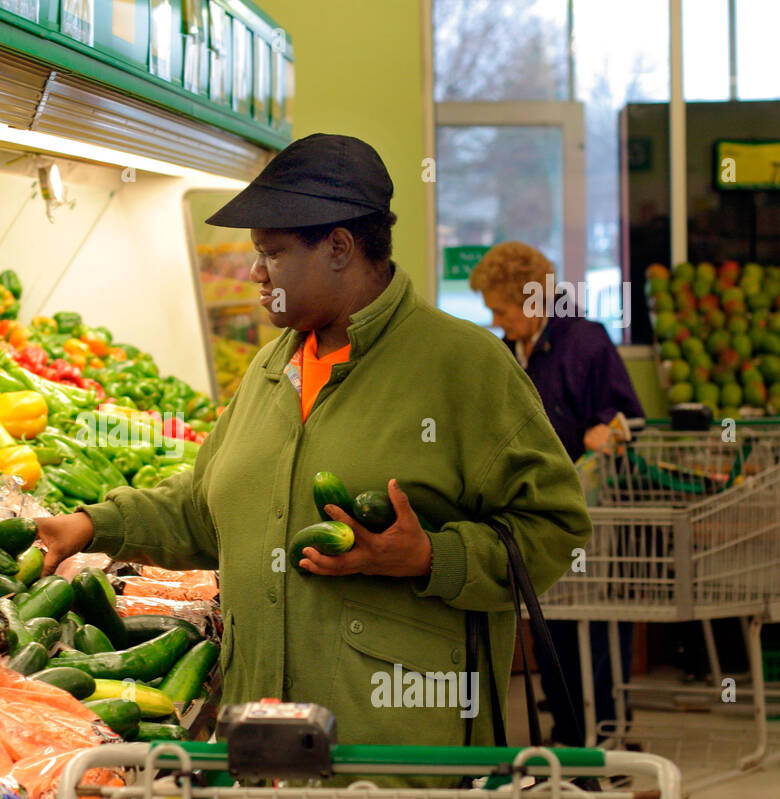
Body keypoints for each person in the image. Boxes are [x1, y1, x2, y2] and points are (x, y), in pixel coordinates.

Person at [37, 134, 592, 753]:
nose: (253, 273)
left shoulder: (465, 367)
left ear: (338, 248)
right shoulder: (273, 368)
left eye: (271, 254)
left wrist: (431, 556)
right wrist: (91, 526)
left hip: (398, 757)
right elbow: (206, 509)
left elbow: (556, 528)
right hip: (262, 745)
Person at [469, 240, 645, 744]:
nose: (498, 323)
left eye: (501, 312)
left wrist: (605, 430)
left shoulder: (585, 342)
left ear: (530, 303)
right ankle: (569, 730)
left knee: (593, 623)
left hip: (590, 512)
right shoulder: (509, 350)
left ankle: (603, 729)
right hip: (533, 511)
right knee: (552, 621)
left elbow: (627, 418)